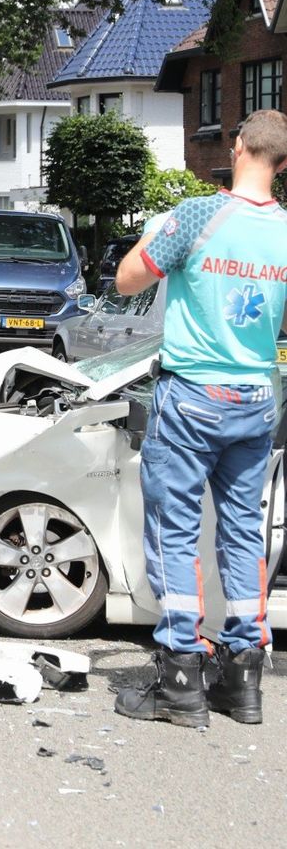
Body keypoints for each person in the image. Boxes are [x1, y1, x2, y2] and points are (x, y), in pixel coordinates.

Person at [113, 109, 287, 727]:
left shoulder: (193, 216)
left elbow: (128, 277)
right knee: (243, 532)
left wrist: (155, 235)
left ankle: (182, 677)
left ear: (237, 147)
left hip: (193, 397)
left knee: (175, 531)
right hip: (257, 400)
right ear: (282, 164)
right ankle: (244, 679)